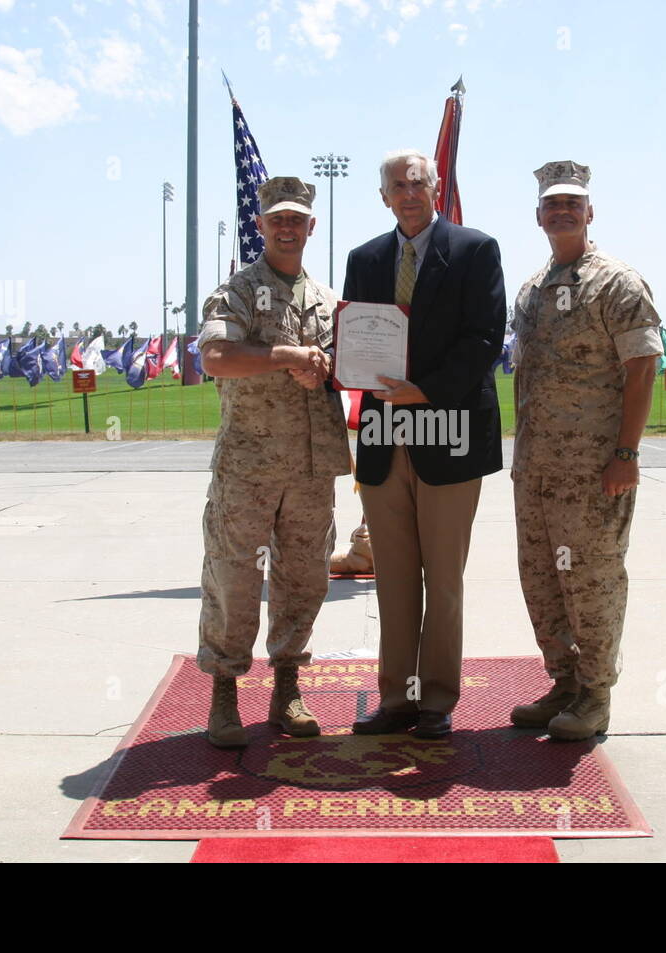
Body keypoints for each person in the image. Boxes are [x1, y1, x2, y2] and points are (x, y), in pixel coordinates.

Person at [344, 149, 506, 739]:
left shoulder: (475, 250)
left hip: (450, 433)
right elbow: (357, 335)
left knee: (443, 576)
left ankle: (436, 701)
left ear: (436, 186)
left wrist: (426, 392)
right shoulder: (364, 259)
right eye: (396, 185)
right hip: (385, 439)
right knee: (391, 576)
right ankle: (397, 701)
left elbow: (485, 337)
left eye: (418, 182)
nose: (408, 192)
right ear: (383, 195)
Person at [509, 160, 663, 741]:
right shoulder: (530, 291)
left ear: (590, 212)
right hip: (538, 471)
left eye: (573, 203)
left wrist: (626, 453)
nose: (563, 211)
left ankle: (596, 694)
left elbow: (643, 366)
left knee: (592, 581)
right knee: (542, 579)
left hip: (595, 471)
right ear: (539, 217)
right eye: (553, 204)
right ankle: (564, 683)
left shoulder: (616, 283)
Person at [196, 176, 351, 748]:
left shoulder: (330, 301)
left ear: (312, 227)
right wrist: (285, 356)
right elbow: (216, 357)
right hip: (249, 466)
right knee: (235, 578)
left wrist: (327, 366)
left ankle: (287, 687)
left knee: (303, 579)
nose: (287, 227)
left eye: (297, 219)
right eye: (276, 219)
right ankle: (224, 693)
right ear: (259, 226)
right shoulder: (236, 292)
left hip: (311, 468)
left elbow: (348, 365)